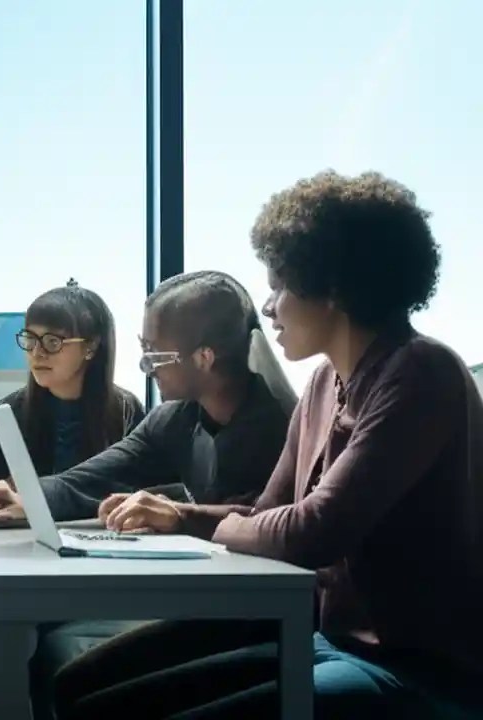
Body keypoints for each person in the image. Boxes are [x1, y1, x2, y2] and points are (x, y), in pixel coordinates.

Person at [65, 171, 483, 718]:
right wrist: (179, 515)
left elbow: (311, 531)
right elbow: (269, 515)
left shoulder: (421, 373)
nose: (268, 308)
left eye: (280, 286)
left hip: (419, 670)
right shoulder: (321, 387)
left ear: (332, 287)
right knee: (82, 691)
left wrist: (211, 522)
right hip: (329, 642)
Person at [0, 270, 297, 527]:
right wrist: (28, 497)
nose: (145, 366)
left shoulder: (284, 428)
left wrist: (179, 516)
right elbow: (91, 479)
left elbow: (274, 520)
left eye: (155, 353)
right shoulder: (170, 421)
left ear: (204, 357)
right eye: (143, 349)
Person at [0, 281, 144, 511]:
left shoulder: (126, 411)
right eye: (30, 339)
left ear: (90, 347)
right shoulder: (8, 412)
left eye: (53, 342)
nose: (37, 353)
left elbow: (141, 493)